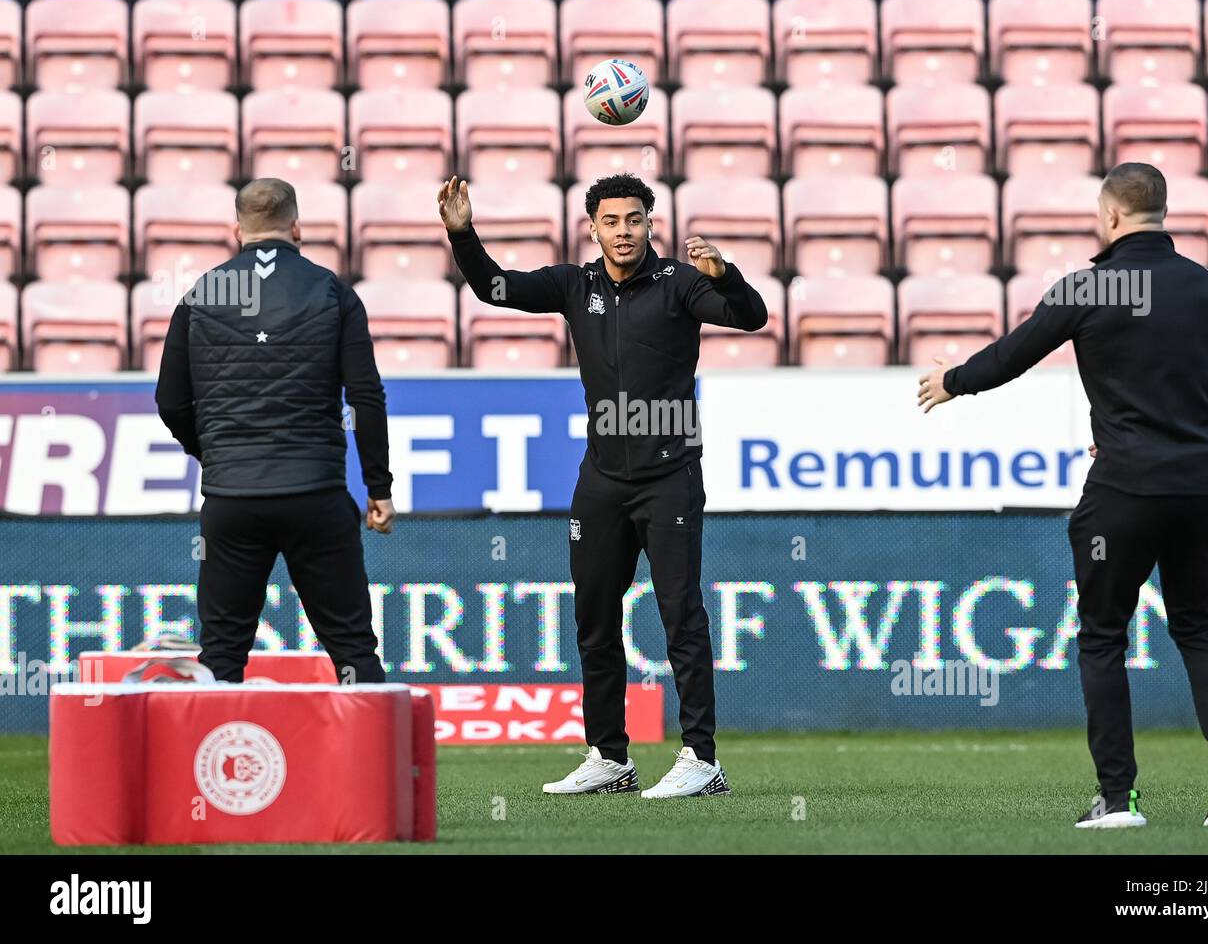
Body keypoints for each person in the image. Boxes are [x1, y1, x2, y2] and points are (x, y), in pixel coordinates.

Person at [916, 163, 1208, 829]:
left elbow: (1014, 354)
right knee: (1199, 628)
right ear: (1161, 212)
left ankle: (1119, 797)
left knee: (1103, 637)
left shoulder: (1090, 285)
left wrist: (952, 380)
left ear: (1109, 218)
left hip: (1123, 489)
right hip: (1196, 488)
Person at [440, 172, 767, 797]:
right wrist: (463, 234)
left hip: (670, 475)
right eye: (611, 222)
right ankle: (609, 756)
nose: (624, 232)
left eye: (635, 220)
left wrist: (726, 274)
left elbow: (750, 317)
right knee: (593, 617)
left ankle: (702, 759)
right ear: (593, 227)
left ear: (651, 224)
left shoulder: (680, 283)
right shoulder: (573, 283)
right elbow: (495, 288)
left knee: (681, 618)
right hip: (600, 481)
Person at [155, 177, 394, 684]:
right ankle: (377, 764)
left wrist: (216, 455)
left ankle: (213, 762)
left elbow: (170, 401)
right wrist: (379, 488)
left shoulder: (201, 293)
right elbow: (366, 397)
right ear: (298, 227)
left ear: (237, 229)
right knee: (353, 647)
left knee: (222, 655)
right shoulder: (331, 291)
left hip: (232, 499)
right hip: (316, 494)